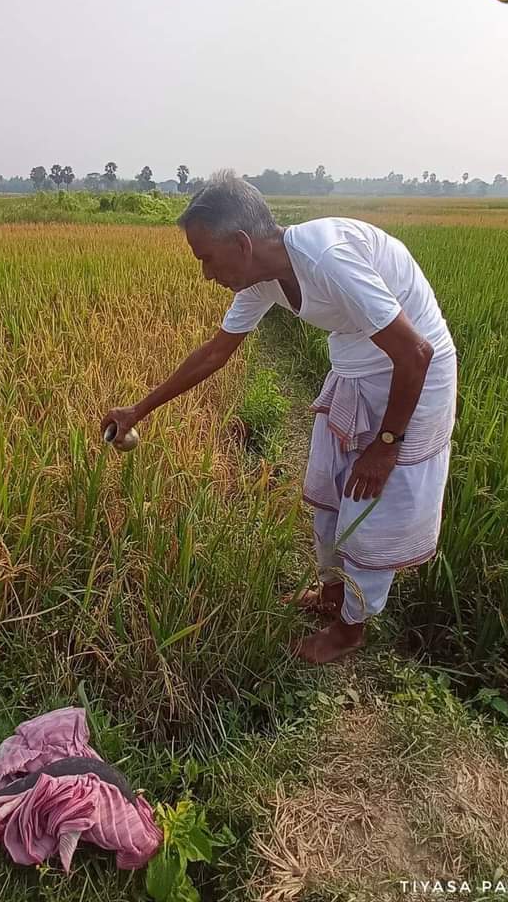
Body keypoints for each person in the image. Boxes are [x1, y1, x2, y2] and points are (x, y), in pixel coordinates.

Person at [101, 170, 457, 664]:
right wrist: (138, 409)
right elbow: (215, 354)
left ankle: (349, 631)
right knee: (333, 488)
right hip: (356, 368)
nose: (205, 274)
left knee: (370, 505)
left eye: (206, 258)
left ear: (241, 244)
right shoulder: (262, 280)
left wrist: (386, 445)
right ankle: (333, 594)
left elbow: (415, 352)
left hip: (414, 376)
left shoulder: (328, 257)